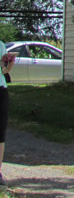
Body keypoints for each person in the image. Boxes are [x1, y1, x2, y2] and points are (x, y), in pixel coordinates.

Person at [0, 43, 14, 186]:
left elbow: (3, 71)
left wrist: (8, 66)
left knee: (0, 133)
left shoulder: (1, 45)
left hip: (1, 89)